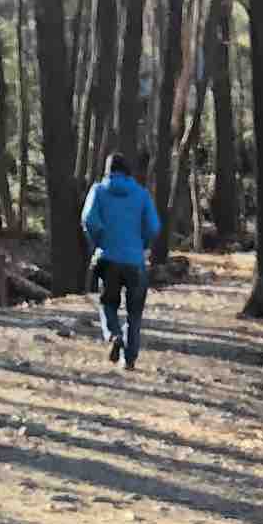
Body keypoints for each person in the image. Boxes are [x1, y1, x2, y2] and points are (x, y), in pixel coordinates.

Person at [80, 150, 162, 367]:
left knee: (108, 303)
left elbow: (89, 220)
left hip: (108, 259)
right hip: (135, 262)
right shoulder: (142, 195)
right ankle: (130, 358)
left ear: (107, 171)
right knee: (135, 311)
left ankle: (114, 335)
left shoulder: (98, 191)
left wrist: (99, 241)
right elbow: (154, 227)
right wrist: (141, 244)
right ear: (128, 172)